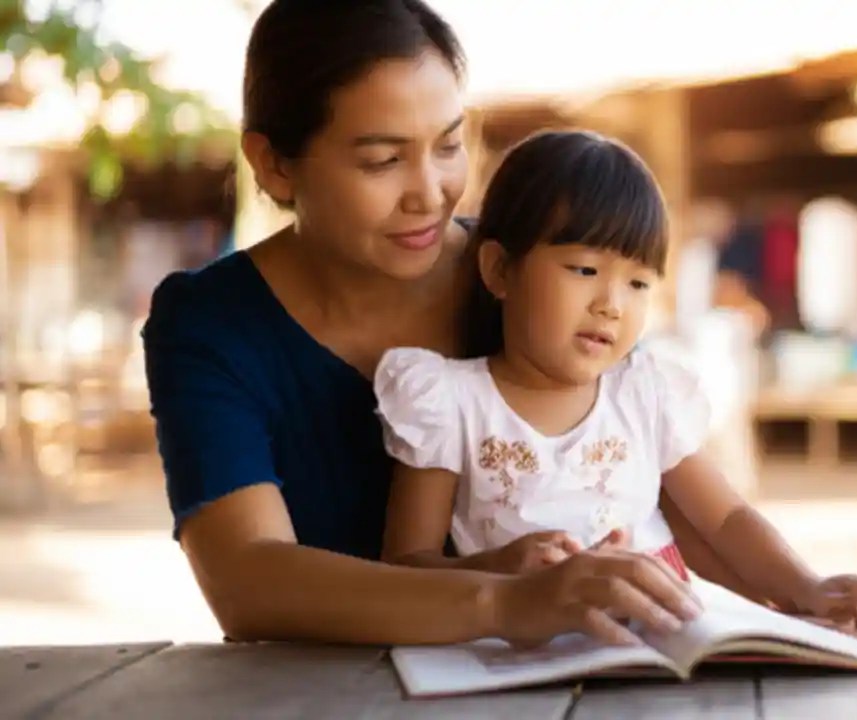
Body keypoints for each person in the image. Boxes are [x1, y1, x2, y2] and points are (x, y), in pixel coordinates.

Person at [143, 0, 760, 648]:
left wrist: (806, 601)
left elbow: (667, 491)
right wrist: (503, 601)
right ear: (273, 164)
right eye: (383, 160)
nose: (431, 192)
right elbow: (249, 580)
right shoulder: (212, 326)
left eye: (448, 145)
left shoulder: (530, 280)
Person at [373, 130, 857, 641]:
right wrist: (500, 567)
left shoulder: (643, 394)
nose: (612, 303)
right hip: (521, 660)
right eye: (583, 269)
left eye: (638, 283)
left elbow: (725, 519)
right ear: (500, 271)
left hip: (666, 642)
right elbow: (403, 569)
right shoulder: (450, 402)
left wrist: (810, 588)